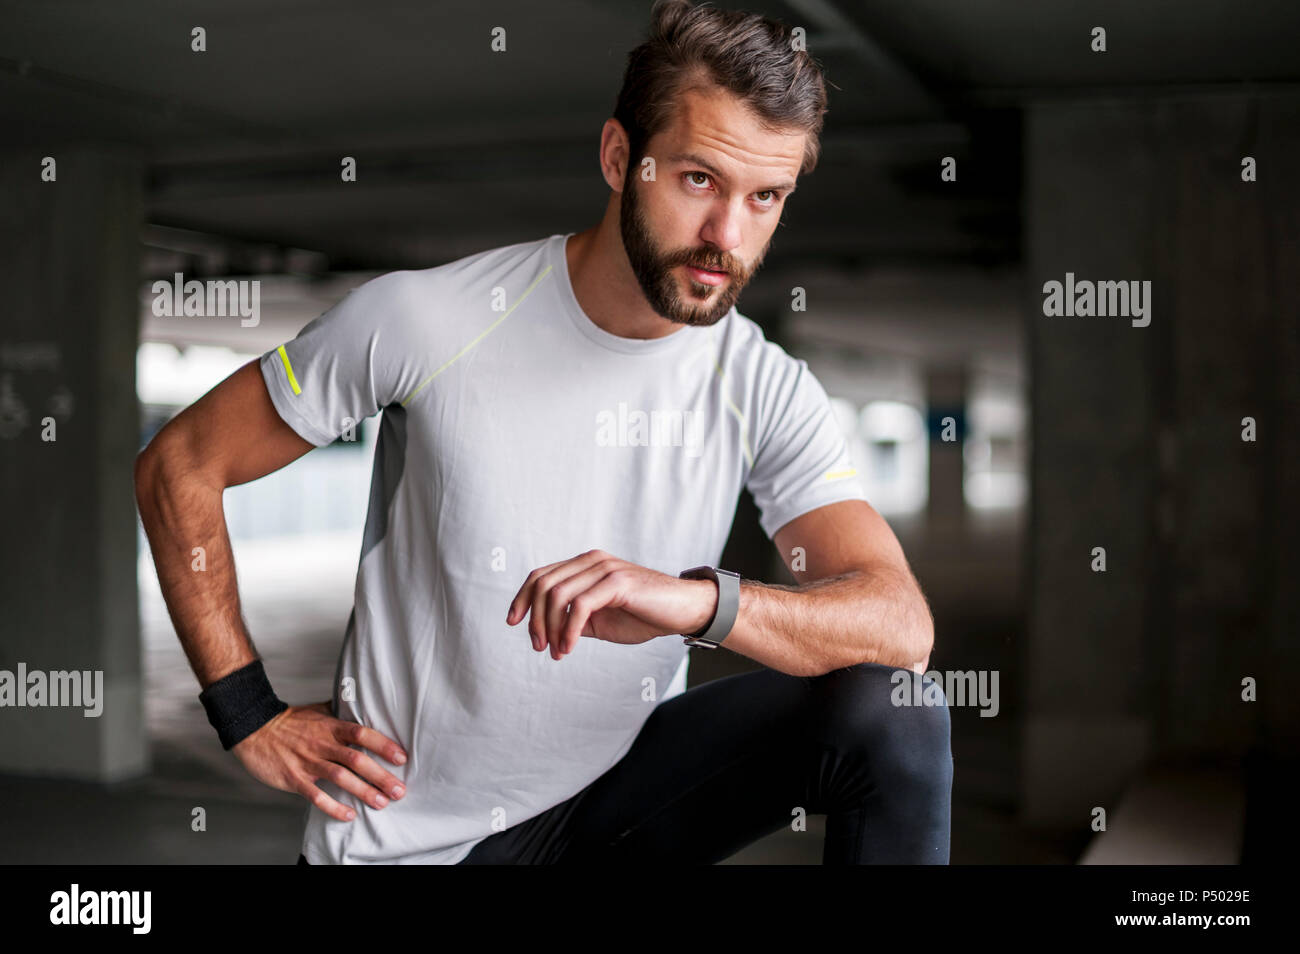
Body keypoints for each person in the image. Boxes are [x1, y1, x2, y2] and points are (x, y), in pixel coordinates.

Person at [135, 0, 951, 865]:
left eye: (765, 197)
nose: (727, 236)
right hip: (414, 839)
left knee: (891, 714)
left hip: (616, 803)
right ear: (617, 157)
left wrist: (700, 602)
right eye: (698, 180)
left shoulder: (764, 384)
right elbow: (180, 465)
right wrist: (247, 712)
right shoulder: (428, 318)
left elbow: (901, 627)